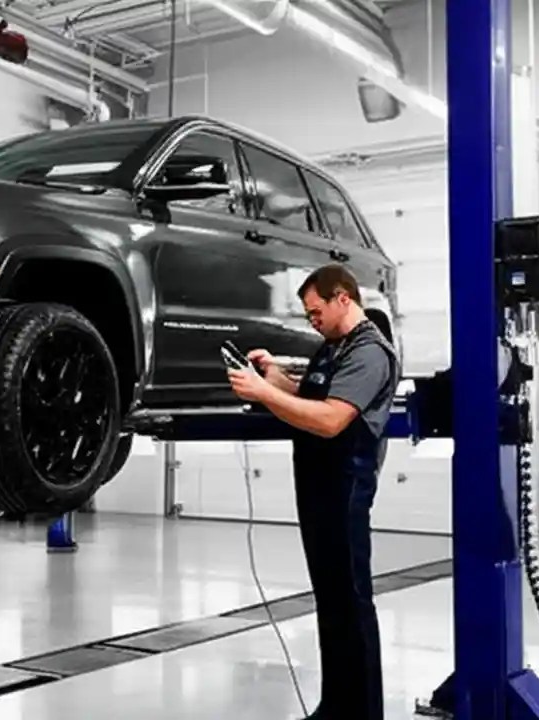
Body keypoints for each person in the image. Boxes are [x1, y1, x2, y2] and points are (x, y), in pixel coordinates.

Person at [226, 263, 399, 720]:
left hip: (344, 489)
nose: (312, 320)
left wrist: (264, 394)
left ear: (344, 298)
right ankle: (337, 706)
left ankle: (362, 712)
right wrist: (276, 376)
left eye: (315, 311)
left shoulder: (370, 352)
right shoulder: (334, 348)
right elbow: (313, 395)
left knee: (351, 600)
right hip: (318, 486)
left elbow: (329, 419)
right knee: (331, 600)